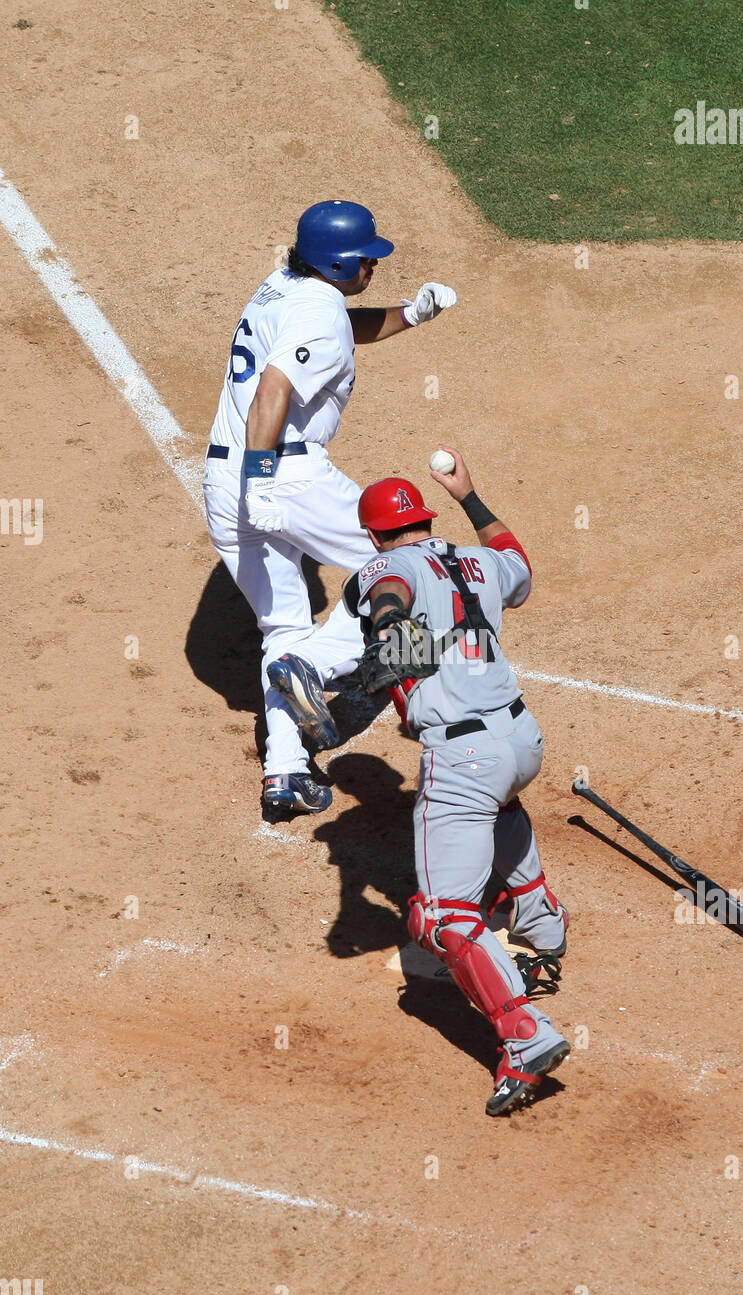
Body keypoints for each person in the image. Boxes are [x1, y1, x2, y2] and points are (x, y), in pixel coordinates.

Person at [203, 199, 457, 813]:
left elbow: (335, 332)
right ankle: (386, 690)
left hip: (224, 482)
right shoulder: (317, 311)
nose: (374, 264)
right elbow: (275, 387)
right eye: (367, 257)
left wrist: (409, 315)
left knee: (283, 627)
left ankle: (285, 770)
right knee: (421, 566)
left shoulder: (285, 283)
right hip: (284, 476)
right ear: (340, 263)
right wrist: (263, 480)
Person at [342, 451, 571, 1117]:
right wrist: (471, 497)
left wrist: (389, 628)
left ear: (376, 534)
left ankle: (525, 1039)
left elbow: (390, 591)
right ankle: (542, 925)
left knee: (440, 916)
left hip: (465, 754)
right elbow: (520, 565)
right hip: (522, 739)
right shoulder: (478, 559)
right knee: (497, 807)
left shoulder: (386, 563)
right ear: (426, 518)